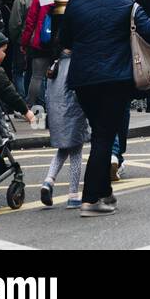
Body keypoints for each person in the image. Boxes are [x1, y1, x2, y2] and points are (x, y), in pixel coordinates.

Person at [61, 0, 150, 215]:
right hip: (116, 78)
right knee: (104, 136)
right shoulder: (126, 1)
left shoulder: (75, 2)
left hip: (83, 80)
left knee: (100, 134)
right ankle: (91, 199)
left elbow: (65, 40)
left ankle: (104, 193)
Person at [110, 0, 150, 165]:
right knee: (122, 101)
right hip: (132, 49)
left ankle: (112, 150)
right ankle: (117, 151)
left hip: (105, 46)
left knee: (106, 102)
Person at [41, 47, 89, 208]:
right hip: (73, 113)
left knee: (63, 149)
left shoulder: (55, 65)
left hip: (56, 114)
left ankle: (48, 181)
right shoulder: (75, 64)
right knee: (76, 151)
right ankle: (73, 195)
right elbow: (81, 91)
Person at [21, 0, 59, 115]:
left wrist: (24, 42)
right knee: (56, 77)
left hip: (41, 42)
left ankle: (28, 108)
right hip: (59, 43)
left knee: (36, 76)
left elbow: (30, 21)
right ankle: (52, 109)